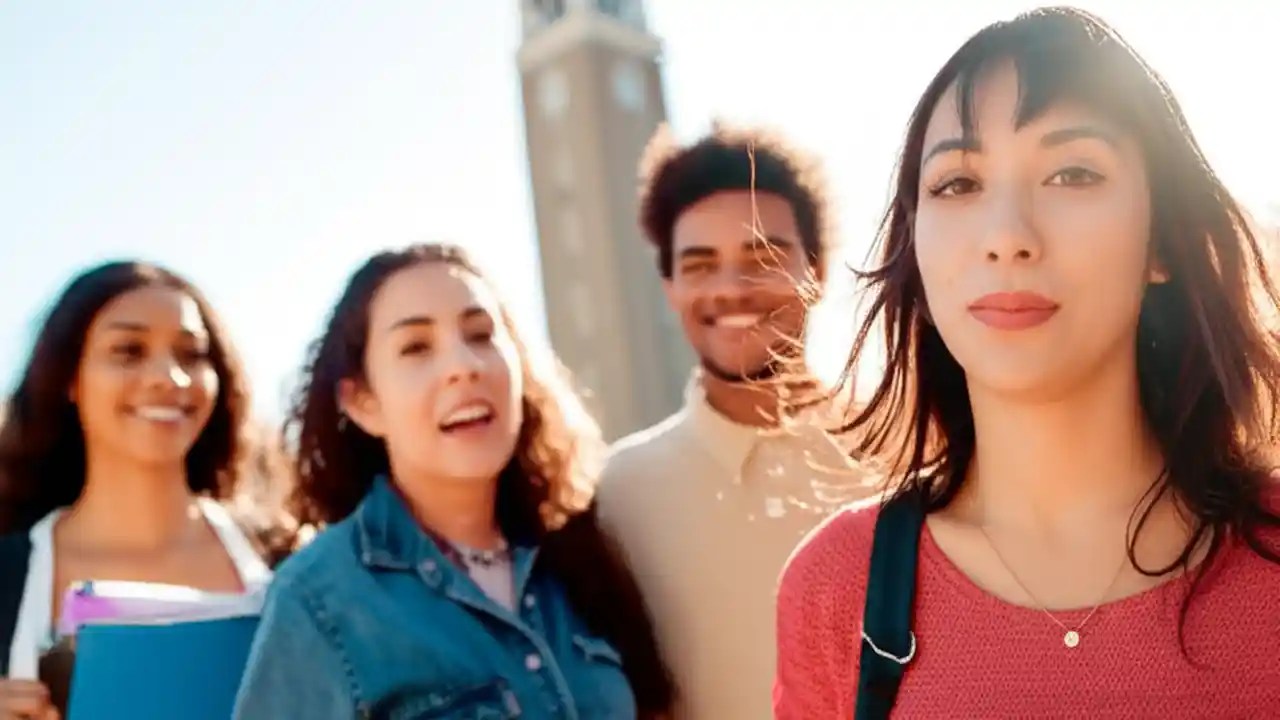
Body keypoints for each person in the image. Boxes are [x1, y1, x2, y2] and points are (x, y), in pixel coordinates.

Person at [775, 7, 1280, 718]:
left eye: (1072, 173)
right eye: (957, 184)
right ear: (916, 255)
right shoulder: (837, 588)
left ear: (1163, 240)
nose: (1006, 236)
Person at [233, 243, 674, 719]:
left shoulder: (583, 551)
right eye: (416, 347)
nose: (464, 366)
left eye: (481, 334)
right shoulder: (320, 598)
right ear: (363, 402)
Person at [596, 124, 876, 719]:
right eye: (700, 265)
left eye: (764, 257)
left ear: (819, 269)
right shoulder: (616, 495)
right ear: (669, 288)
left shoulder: (902, 451)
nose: (732, 289)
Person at [0, 261, 292, 720]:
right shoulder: (7, 577)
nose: (169, 378)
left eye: (192, 354)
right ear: (68, 379)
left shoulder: (293, 562)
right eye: (129, 351)